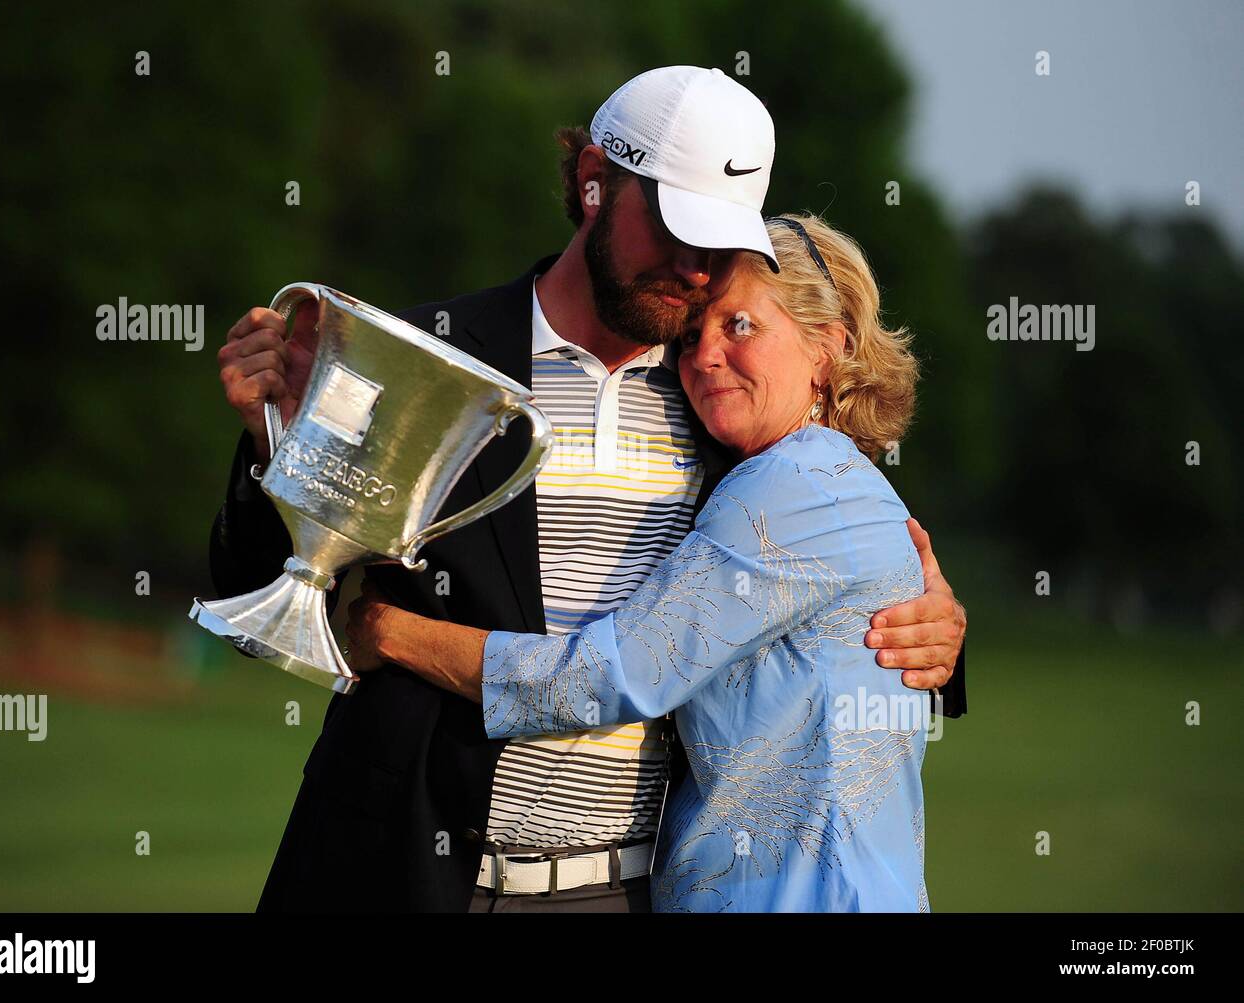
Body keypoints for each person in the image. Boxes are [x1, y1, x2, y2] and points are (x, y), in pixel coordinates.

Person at [210, 66, 966, 913]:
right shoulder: (430, 352)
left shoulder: (722, 399)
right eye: (675, 227)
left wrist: (938, 630)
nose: (694, 267)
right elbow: (260, 592)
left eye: (718, 242)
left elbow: (813, 577)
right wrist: (266, 443)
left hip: (621, 892)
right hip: (398, 869)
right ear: (594, 180)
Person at [347, 211, 934, 911]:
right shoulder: (824, 478)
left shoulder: (790, 490)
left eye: (739, 326)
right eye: (690, 336)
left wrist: (392, 632)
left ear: (826, 348)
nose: (704, 355)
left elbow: (611, 675)